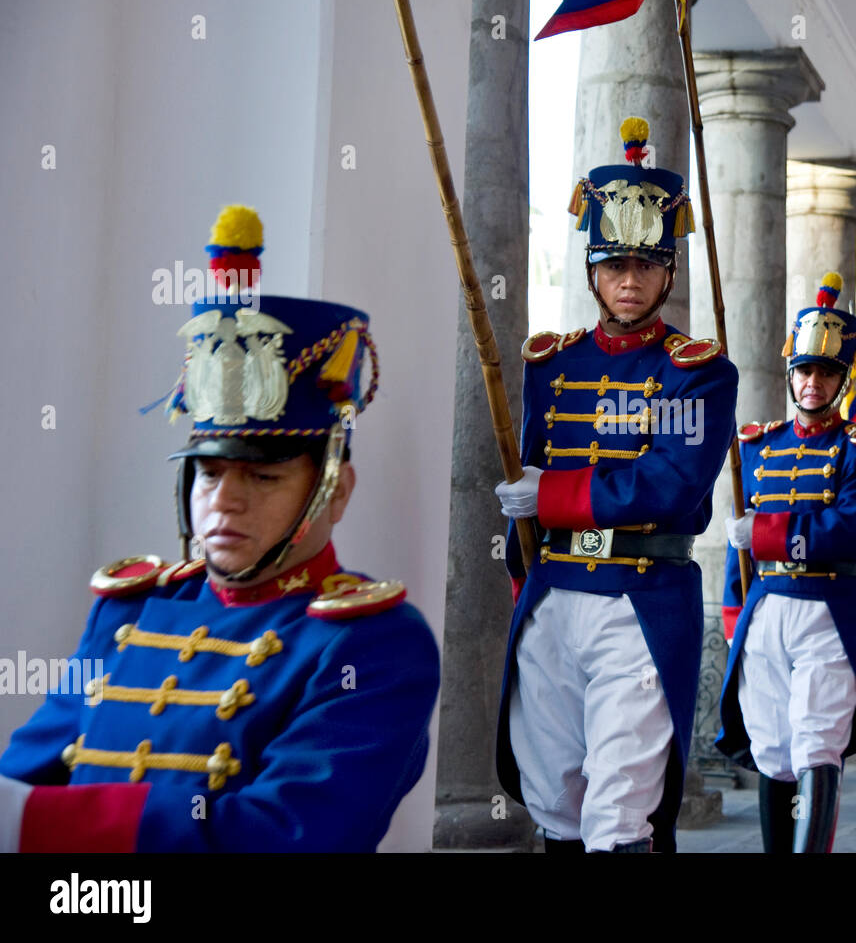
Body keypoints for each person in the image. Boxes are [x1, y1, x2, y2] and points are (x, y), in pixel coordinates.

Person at [0, 206, 440, 852]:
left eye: (263, 477)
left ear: (335, 490)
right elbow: (25, 777)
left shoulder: (374, 646)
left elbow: (281, 837)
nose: (224, 501)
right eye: (208, 472)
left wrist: (34, 826)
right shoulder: (130, 608)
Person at [493, 117, 738, 853]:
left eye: (645, 265)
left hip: (639, 594)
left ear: (667, 272)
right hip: (553, 590)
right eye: (612, 264)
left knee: (619, 808)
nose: (628, 280)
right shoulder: (550, 363)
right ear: (595, 269)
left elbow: (669, 484)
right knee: (554, 799)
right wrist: (521, 562)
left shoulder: (698, 372)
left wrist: (553, 495)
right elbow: (531, 466)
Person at [715, 271, 856, 853]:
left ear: (843, 379)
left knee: (817, 742)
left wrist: (764, 535)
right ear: (791, 376)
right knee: (773, 744)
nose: (813, 382)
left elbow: (848, 533)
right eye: (805, 371)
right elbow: (739, 548)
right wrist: (733, 607)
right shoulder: (756, 447)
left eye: (826, 372)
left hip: (827, 609)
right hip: (765, 609)